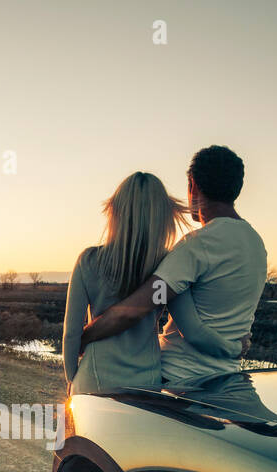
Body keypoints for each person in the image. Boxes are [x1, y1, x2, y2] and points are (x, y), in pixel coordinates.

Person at [79, 146, 267, 386]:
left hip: (178, 379)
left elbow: (133, 310)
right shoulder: (255, 243)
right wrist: (235, 348)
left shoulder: (197, 245)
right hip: (226, 376)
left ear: (193, 186)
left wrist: (82, 338)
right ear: (236, 189)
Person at [61, 172, 188, 394]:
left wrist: (72, 378)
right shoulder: (168, 265)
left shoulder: (89, 261)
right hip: (146, 386)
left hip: (93, 382)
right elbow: (187, 326)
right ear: (163, 216)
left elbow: (71, 333)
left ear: (115, 211)